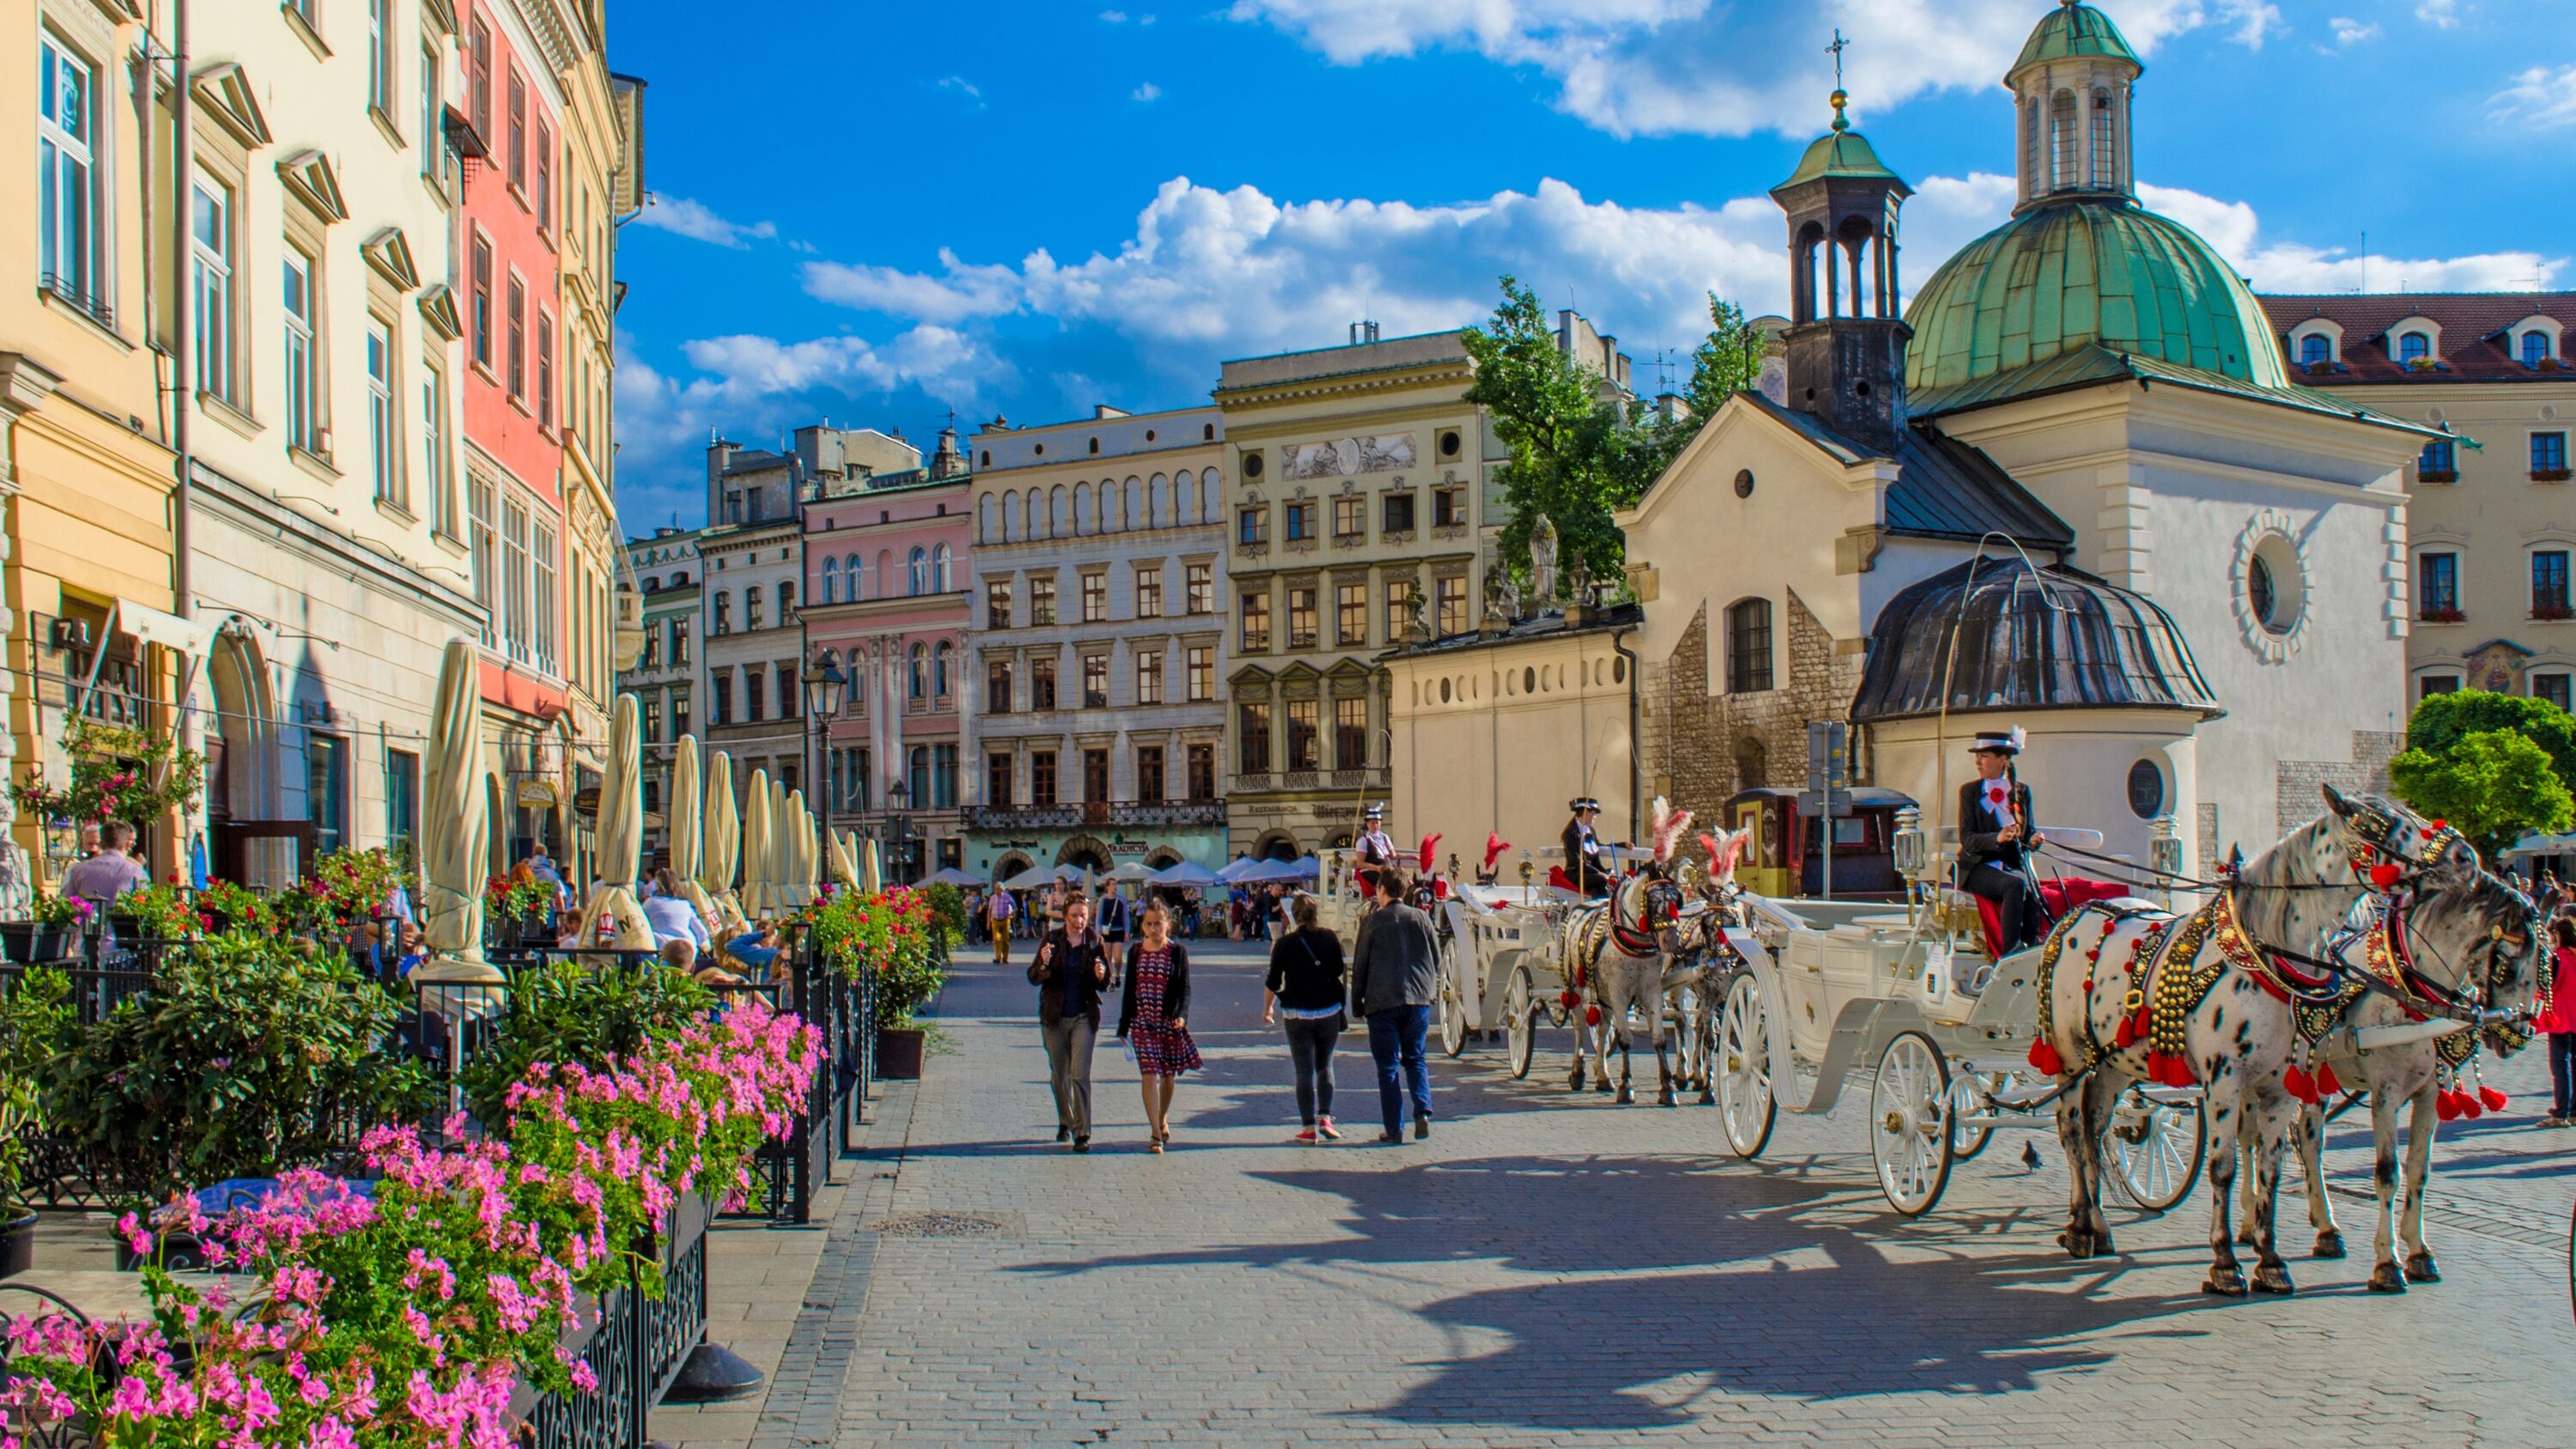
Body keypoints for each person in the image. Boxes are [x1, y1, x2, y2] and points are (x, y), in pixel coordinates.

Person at [1349, 867, 1439, 1142]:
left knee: (1388, 1067)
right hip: (1418, 999)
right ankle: (1422, 1111)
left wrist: (1357, 1002)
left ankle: (1394, 1129)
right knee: (1416, 1058)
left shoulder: (1373, 921)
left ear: (1382, 890)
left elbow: (1360, 964)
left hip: (1382, 1001)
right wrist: (1427, 987)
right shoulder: (1421, 917)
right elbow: (1436, 957)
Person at [1030, 894, 1113, 1152]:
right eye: (1074, 916)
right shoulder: (1052, 940)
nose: (1079, 921)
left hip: (1083, 1016)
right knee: (1059, 1076)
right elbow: (1033, 976)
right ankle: (1065, 1119)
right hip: (1054, 1017)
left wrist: (1101, 975)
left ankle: (1082, 1131)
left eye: (1083, 916)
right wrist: (1044, 963)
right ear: (1065, 917)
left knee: (1079, 1074)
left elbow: (1105, 981)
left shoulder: (1094, 941)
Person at [1264, 892, 1347, 1142]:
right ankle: (1326, 1117)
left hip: (1297, 1014)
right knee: (1325, 1065)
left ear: (1294, 916)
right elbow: (1338, 969)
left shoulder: (1284, 944)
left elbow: (1273, 981)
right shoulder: (1329, 938)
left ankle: (1308, 1128)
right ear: (1316, 914)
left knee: (1303, 1070)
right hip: (1328, 1010)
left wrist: (1268, 1009)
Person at [1956, 727, 2049, 952]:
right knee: (2015, 885)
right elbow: (1967, 838)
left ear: (2002, 760)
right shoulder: (1970, 792)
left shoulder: (2021, 792)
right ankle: (2010, 951)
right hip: (1977, 867)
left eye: (1984, 757)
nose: (1978, 762)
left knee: (2032, 890)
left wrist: (2033, 841)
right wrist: (1996, 838)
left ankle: (2030, 948)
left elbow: (2028, 832)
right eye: (1977, 757)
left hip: (2010, 865)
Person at [1116, 900, 1199, 1152]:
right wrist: (1123, 1025)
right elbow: (1130, 989)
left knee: (1168, 1077)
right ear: (1143, 925)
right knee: (1149, 1074)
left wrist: (1182, 1015)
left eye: (1158, 924)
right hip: (1142, 1022)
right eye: (1149, 924)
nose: (1153, 929)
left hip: (1168, 1022)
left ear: (1167, 924)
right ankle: (1155, 1133)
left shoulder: (1177, 952)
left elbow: (1185, 988)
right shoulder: (1136, 952)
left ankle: (1162, 1117)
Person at [61, 821, 149, 915]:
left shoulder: (78, 870)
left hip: (87, 923)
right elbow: (145, 910)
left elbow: (66, 906)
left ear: (101, 843)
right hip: (120, 924)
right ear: (127, 844)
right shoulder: (136, 872)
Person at [2538, 916, 2576, 1127]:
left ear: (2559, 935)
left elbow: (2548, 987)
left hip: (2561, 1019)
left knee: (2559, 1066)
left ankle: (2561, 1113)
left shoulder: (2557, 958)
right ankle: (2574, 1111)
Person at [642, 867, 711, 961]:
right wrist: (703, 946)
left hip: (659, 952)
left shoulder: (650, 903)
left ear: (657, 885)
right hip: (687, 952)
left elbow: (641, 928)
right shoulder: (685, 904)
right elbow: (702, 933)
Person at [1561, 798, 1611, 896]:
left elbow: (1598, 845)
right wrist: (1597, 873)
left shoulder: (1591, 831)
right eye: (1593, 814)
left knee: (1597, 885)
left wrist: (1623, 844)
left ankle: (1599, 904)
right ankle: (1602, 903)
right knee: (1601, 879)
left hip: (1590, 873)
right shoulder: (1571, 833)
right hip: (1576, 873)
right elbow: (1576, 860)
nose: (1595, 817)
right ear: (1585, 813)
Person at [1097, 886, 1131, 980]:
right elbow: (1099, 916)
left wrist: (1127, 931)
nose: (1114, 886)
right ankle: (1111, 977)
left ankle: (1118, 973)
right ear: (1107, 887)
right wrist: (1098, 932)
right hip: (1106, 931)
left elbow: (1125, 916)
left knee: (1118, 958)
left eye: (1115, 884)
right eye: (1112, 884)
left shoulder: (1121, 899)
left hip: (1119, 930)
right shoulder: (1102, 899)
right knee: (1107, 956)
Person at [986, 886, 1018, 964]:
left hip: (1005, 920)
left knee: (1005, 940)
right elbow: (989, 910)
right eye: (995, 889)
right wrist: (988, 922)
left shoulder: (1007, 897)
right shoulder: (993, 897)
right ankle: (998, 957)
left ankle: (1005, 958)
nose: (996, 890)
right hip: (995, 920)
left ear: (1002, 890)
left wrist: (1011, 913)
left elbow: (1015, 907)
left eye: (998, 889)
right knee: (996, 939)